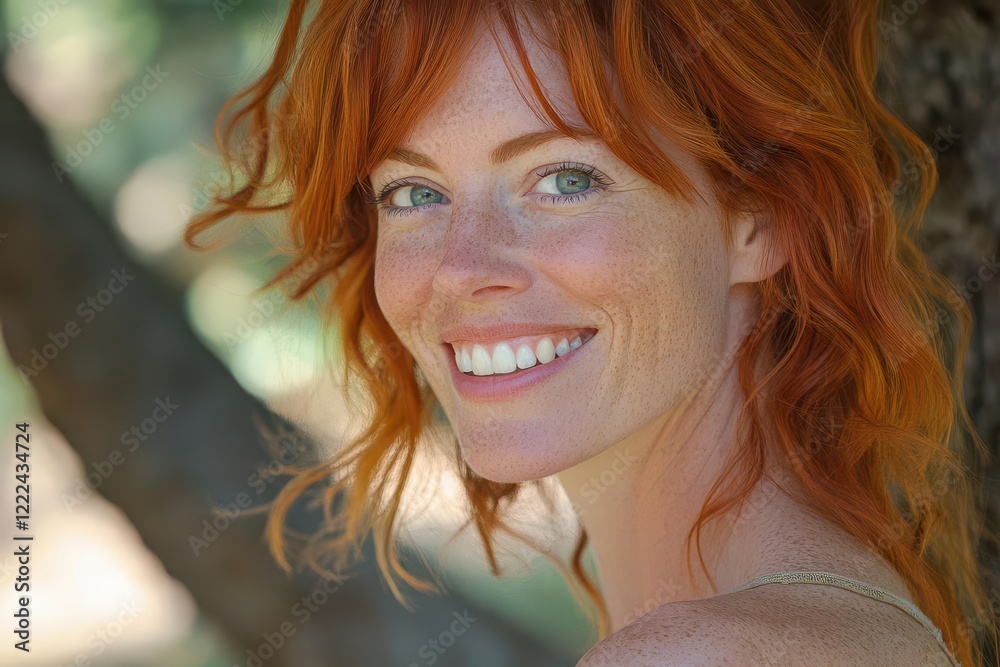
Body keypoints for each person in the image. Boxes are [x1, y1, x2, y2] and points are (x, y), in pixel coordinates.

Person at [185, 1, 998, 664]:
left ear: (763, 219)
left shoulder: (693, 656)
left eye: (565, 179)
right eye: (411, 191)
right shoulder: (851, 611)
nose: (461, 266)